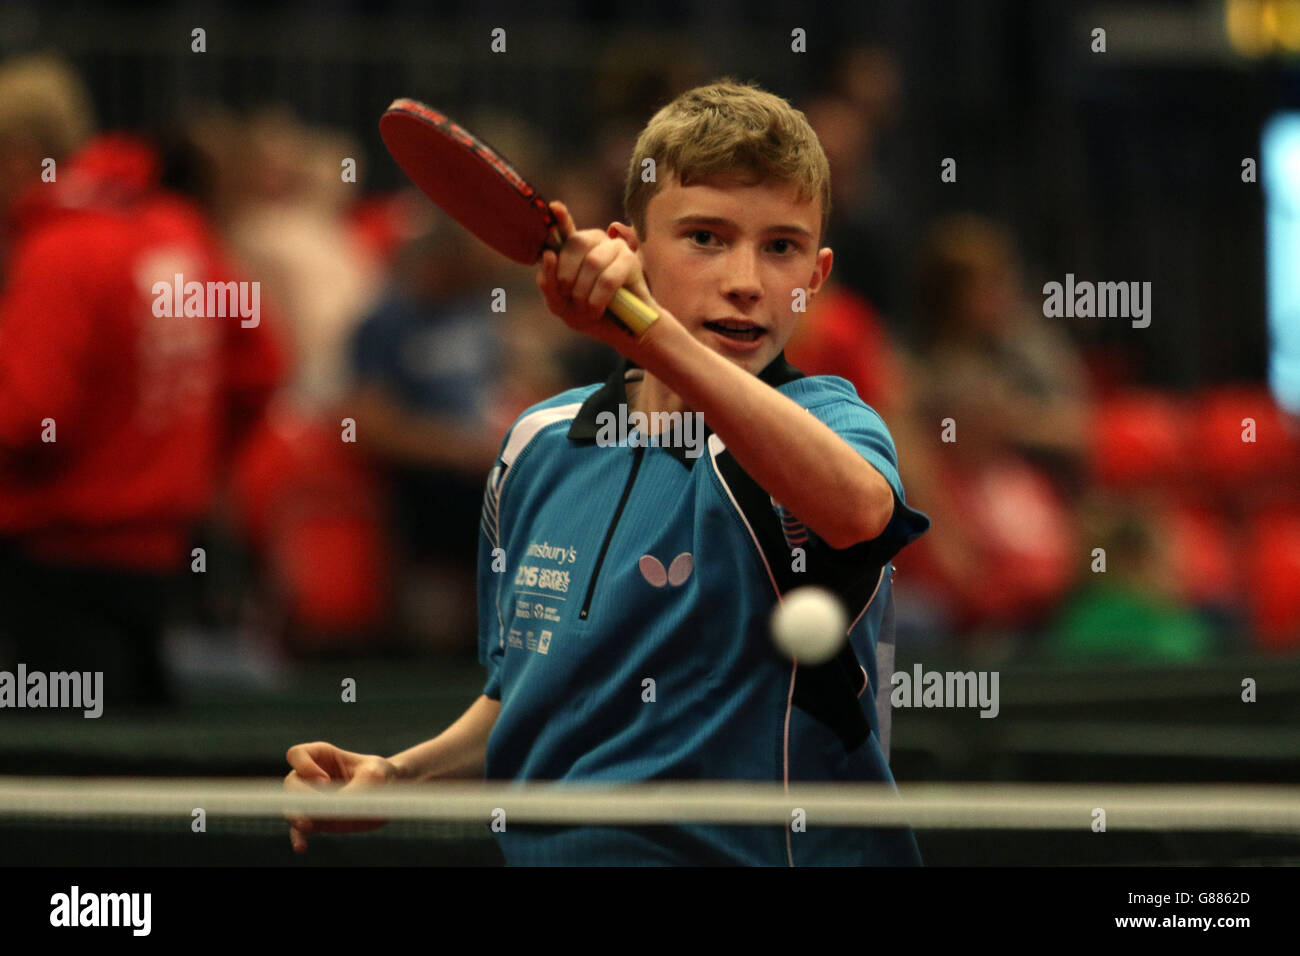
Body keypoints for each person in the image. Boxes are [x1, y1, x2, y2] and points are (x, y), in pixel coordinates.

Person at [286, 79, 930, 865]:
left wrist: (645, 333)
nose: (746, 281)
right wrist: (397, 775)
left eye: (781, 248)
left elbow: (859, 512)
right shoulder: (537, 445)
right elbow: (520, 701)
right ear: (635, 249)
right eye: (704, 237)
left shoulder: (829, 422)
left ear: (817, 274)